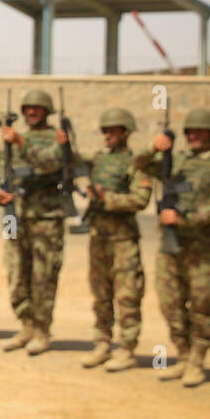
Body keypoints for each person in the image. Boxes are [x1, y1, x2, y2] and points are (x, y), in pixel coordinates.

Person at [133, 107, 210, 387]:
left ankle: (198, 360)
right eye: (190, 131)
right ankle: (183, 354)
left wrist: (185, 220)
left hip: (202, 249)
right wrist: (153, 148)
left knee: (202, 306)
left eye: (200, 131)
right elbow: (139, 163)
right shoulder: (175, 162)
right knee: (170, 302)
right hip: (170, 247)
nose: (194, 136)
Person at [77, 108, 151, 372]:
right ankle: (102, 343)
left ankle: (127, 349)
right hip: (99, 238)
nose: (108, 135)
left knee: (127, 295)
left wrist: (106, 198)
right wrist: (65, 142)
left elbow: (140, 200)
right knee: (100, 294)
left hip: (123, 240)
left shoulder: (136, 164)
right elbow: (73, 160)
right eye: (105, 130)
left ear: (125, 133)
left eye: (113, 130)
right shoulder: (98, 160)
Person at [0, 89, 68, 355]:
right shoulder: (10, 139)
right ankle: (25, 324)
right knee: (16, 273)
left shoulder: (56, 138)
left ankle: (41, 330)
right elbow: (3, 171)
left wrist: (20, 142)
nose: (31, 112)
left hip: (45, 218)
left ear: (46, 110)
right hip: (15, 216)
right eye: (28, 108)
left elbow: (52, 163)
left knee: (43, 276)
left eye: (37, 108)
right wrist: (0, 192)